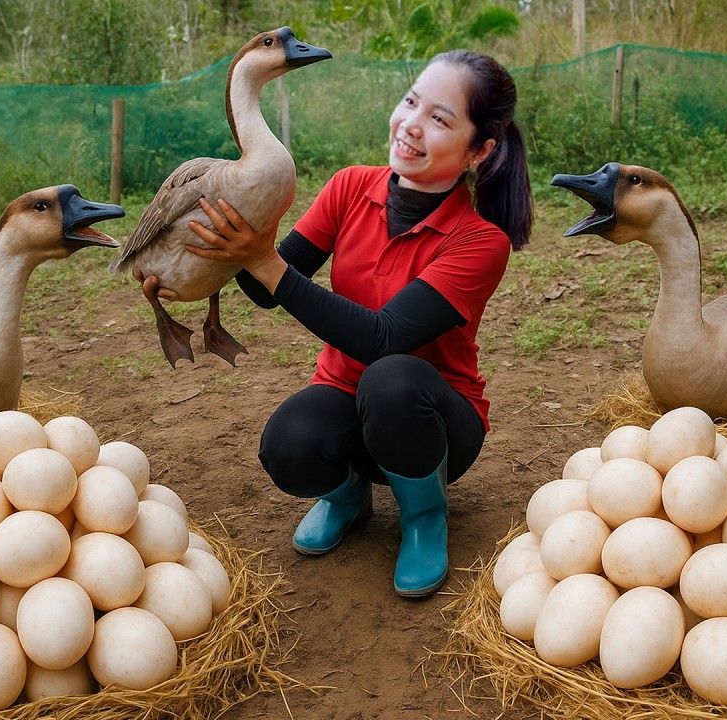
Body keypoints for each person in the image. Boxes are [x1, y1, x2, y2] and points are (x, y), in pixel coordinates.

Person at [174, 49, 532, 597]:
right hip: (345, 396)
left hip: (433, 424)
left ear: (478, 150)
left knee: (391, 376)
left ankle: (423, 515)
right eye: (412, 101)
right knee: (287, 446)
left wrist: (265, 261)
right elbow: (262, 288)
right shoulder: (349, 187)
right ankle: (347, 497)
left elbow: (383, 336)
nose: (411, 124)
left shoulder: (482, 242)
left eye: (439, 118)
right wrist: (204, 255)